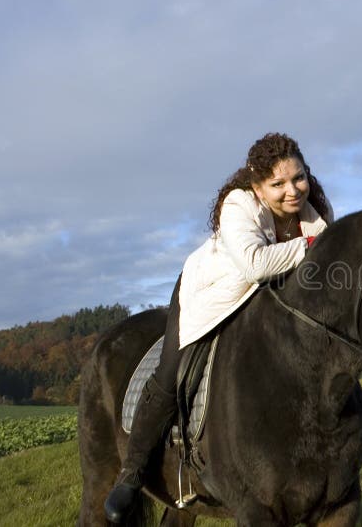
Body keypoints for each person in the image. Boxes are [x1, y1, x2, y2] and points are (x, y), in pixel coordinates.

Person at [104, 133, 333, 522]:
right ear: (257, 185)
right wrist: (314, 246)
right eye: (277, 184)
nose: (292, 190)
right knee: (171, 371)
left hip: (261, 300)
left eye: (298, 178)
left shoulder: (313, 211)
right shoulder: (238, 204)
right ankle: (131, 475)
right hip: (206, 296)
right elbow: (256, 265)